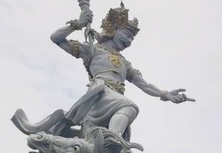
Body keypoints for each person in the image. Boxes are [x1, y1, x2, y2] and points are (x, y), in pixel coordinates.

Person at [12, 4, 192, 139]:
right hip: (100, 93)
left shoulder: (125, 63)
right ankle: (112, 140)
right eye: (127, 35)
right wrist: (78, 24)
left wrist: (166, 94)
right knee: (129, 107)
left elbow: (144, 85)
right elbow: (56, 38)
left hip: (113, 97)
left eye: (132, 39)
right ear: (113, 29)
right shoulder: (93, 50)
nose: (129, 41)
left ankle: (108, 144)